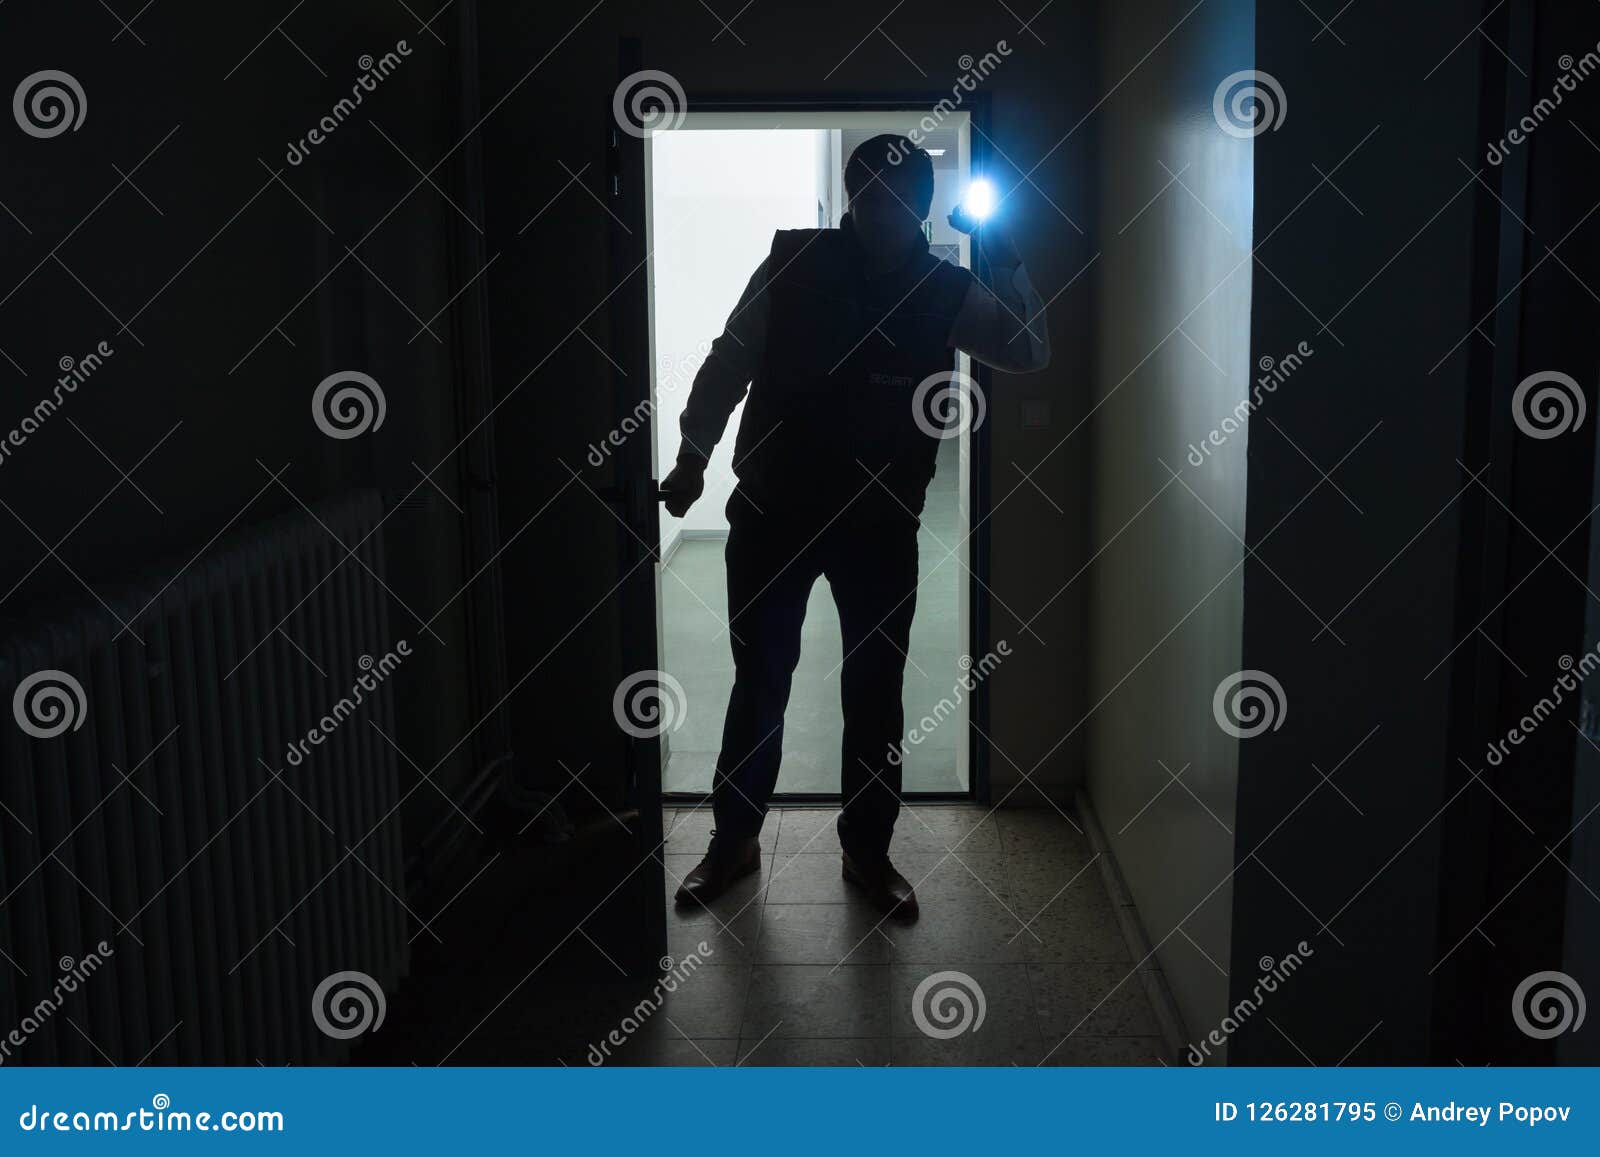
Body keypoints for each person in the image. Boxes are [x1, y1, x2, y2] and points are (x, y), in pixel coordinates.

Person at [663, 134, 1050, 920]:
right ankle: (733, 843)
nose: (886, 213)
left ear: (923, 207)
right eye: (873, 197)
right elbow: (729, 359)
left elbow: (1029, 349)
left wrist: (1006, 260)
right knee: (761, 680)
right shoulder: (794, 263)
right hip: (775, 509)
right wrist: (693, 455)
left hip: (877, 523)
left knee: (874, 694)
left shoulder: (948, 290)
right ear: (853, 196)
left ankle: (867, 854)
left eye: (903, 200)